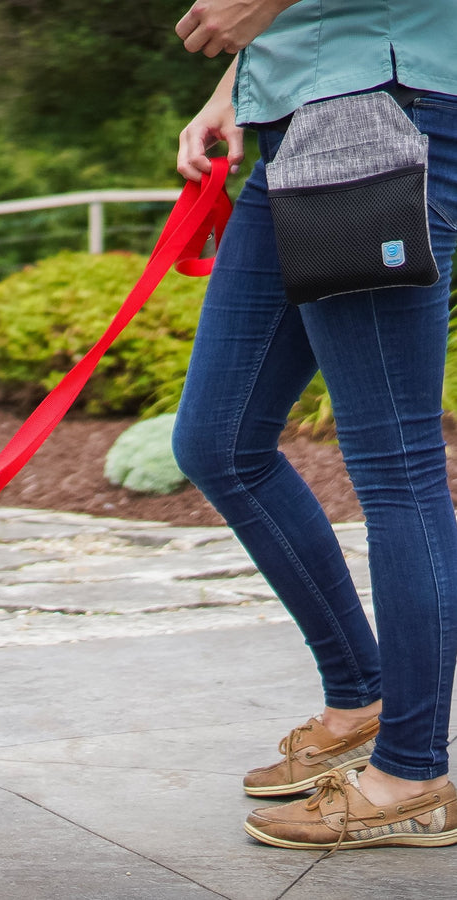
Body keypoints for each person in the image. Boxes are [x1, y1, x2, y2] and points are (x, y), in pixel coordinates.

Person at [171, 0, 457, 849]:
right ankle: (363, 697)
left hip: (385, 105)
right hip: (295, 113)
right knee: (219, 441)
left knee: (396, 462)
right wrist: (235, 84)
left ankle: (413, 778)